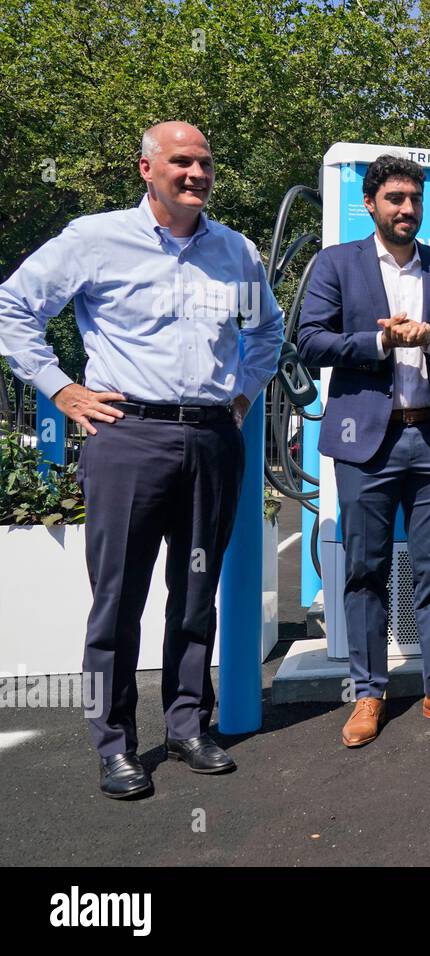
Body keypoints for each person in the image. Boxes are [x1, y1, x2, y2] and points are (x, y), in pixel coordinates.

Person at [0, 121, 285, 798]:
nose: (196, 173)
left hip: (212, 440)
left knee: (195, 596)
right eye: (181, 162)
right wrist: (63, 389)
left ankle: (188, 726)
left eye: (205, 162)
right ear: (146, 170)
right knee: (117, 603)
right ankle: (115, 744)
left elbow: (265, 332)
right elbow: (13, 306)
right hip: (128, 437)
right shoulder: (97, 240)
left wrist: (241, 399)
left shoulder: (233, 253)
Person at [297, 154, 430, 747]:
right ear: (371, 205)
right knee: (365, 571)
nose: (407, 209)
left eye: (414, 199)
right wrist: (379, 340)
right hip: (366, 445)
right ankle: (367, 694)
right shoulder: (336, 265)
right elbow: (308, 341)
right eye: (395, 199)